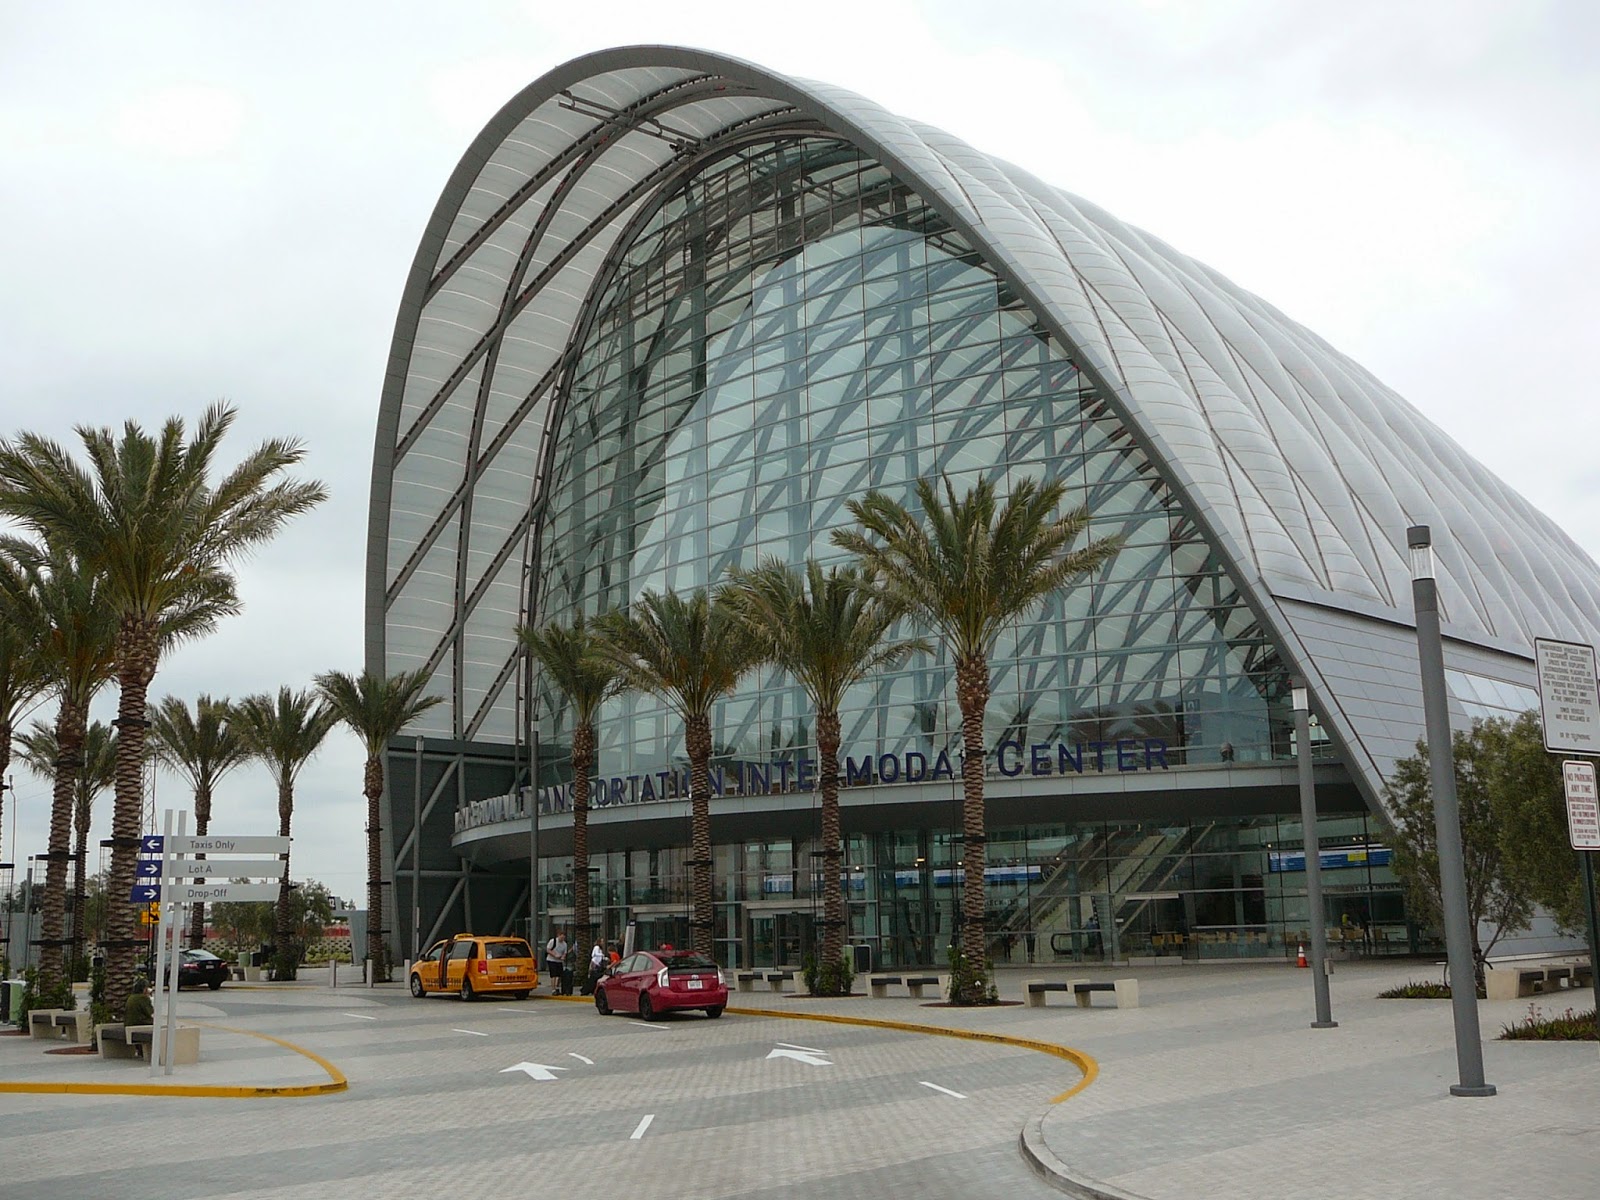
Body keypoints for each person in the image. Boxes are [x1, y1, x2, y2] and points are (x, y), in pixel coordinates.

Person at [545, 927, 568, 994]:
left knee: (559, 975)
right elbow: (548, 950)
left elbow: (565, 952)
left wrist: (563, 957)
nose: (562, 938)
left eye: (564, 936)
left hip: (559, 961)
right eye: (561, 936)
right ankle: (553, 989)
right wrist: (554, 955)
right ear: (558, 935)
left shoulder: (564, 944)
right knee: (553, 975)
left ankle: (557, 987)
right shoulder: (553, 941)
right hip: (551, 960)